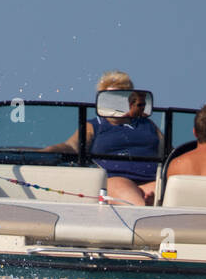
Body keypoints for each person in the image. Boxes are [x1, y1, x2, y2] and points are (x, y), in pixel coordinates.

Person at [42, 71, 162, 206]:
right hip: (116, 182)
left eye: (121, 97)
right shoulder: (94, 125)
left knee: (173, 187)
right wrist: (48, 151)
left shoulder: (148, 124)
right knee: (128, 196)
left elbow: (170, 153)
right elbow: (72, 146)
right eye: (110, 98)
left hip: (152, 182)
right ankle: (145, 213)